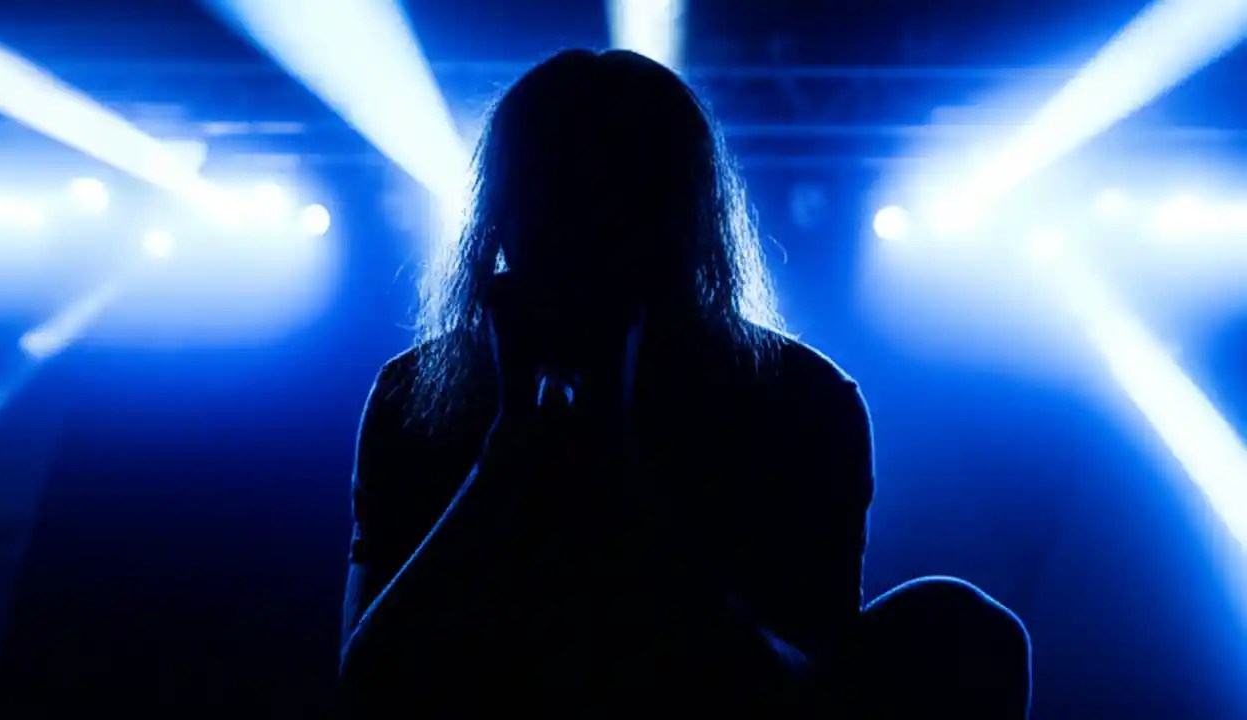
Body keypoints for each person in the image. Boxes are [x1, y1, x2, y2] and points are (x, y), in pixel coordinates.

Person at [339, 49, 1031, 717]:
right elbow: (366, 681)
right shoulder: (417, 396)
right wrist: (503, 460)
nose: (586, 248)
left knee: (963, 628)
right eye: (558, 205)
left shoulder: (798, 401)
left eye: (615, 210)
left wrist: (621, 491)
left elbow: (811, 692)